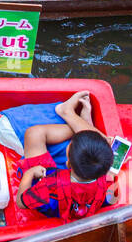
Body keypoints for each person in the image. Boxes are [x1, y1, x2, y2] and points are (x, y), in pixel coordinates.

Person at [16, 91, 117, 223]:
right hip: (70, 193)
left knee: (33, 133)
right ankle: (82, 124)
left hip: (46, 178)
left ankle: (76, 121)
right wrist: (113, 170)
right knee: (100, 147)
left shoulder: (49, 186)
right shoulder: (106, 183)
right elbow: (111, 198)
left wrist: (29, 174)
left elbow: (21, 202)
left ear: (67, 163)